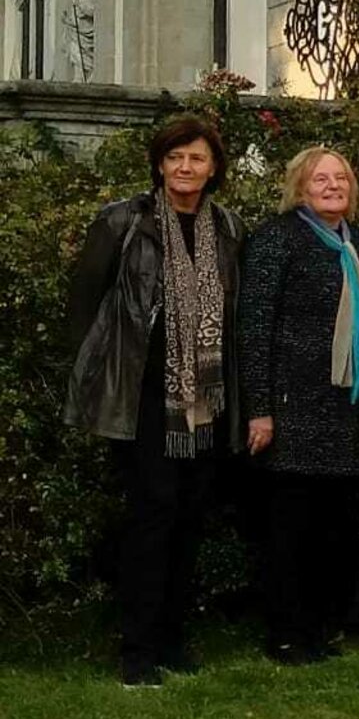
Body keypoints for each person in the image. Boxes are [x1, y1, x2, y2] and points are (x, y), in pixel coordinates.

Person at [64, 115, 246, 687]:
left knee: (190, 519)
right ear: (159, 165)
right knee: (152, 517)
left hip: (206, 398)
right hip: (142, 395)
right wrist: (91, 376)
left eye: (196, 158)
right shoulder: (124, 220)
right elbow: (85, 306)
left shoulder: (229, 228)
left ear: (213, 167)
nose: (185, 168)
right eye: (175, 158)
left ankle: (172, 640)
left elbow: (236, 314)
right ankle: (136, 650)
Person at [238, 145, 359, 666]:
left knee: (332, 530)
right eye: (320, 179)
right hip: (290, 407)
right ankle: (285, 633)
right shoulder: (277, 239)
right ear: (299, 188)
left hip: (343, 411)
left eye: (341, 178)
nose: (332, 186)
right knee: (288, 532)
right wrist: (260, 407)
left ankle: (319, 630)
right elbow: (255, 328)